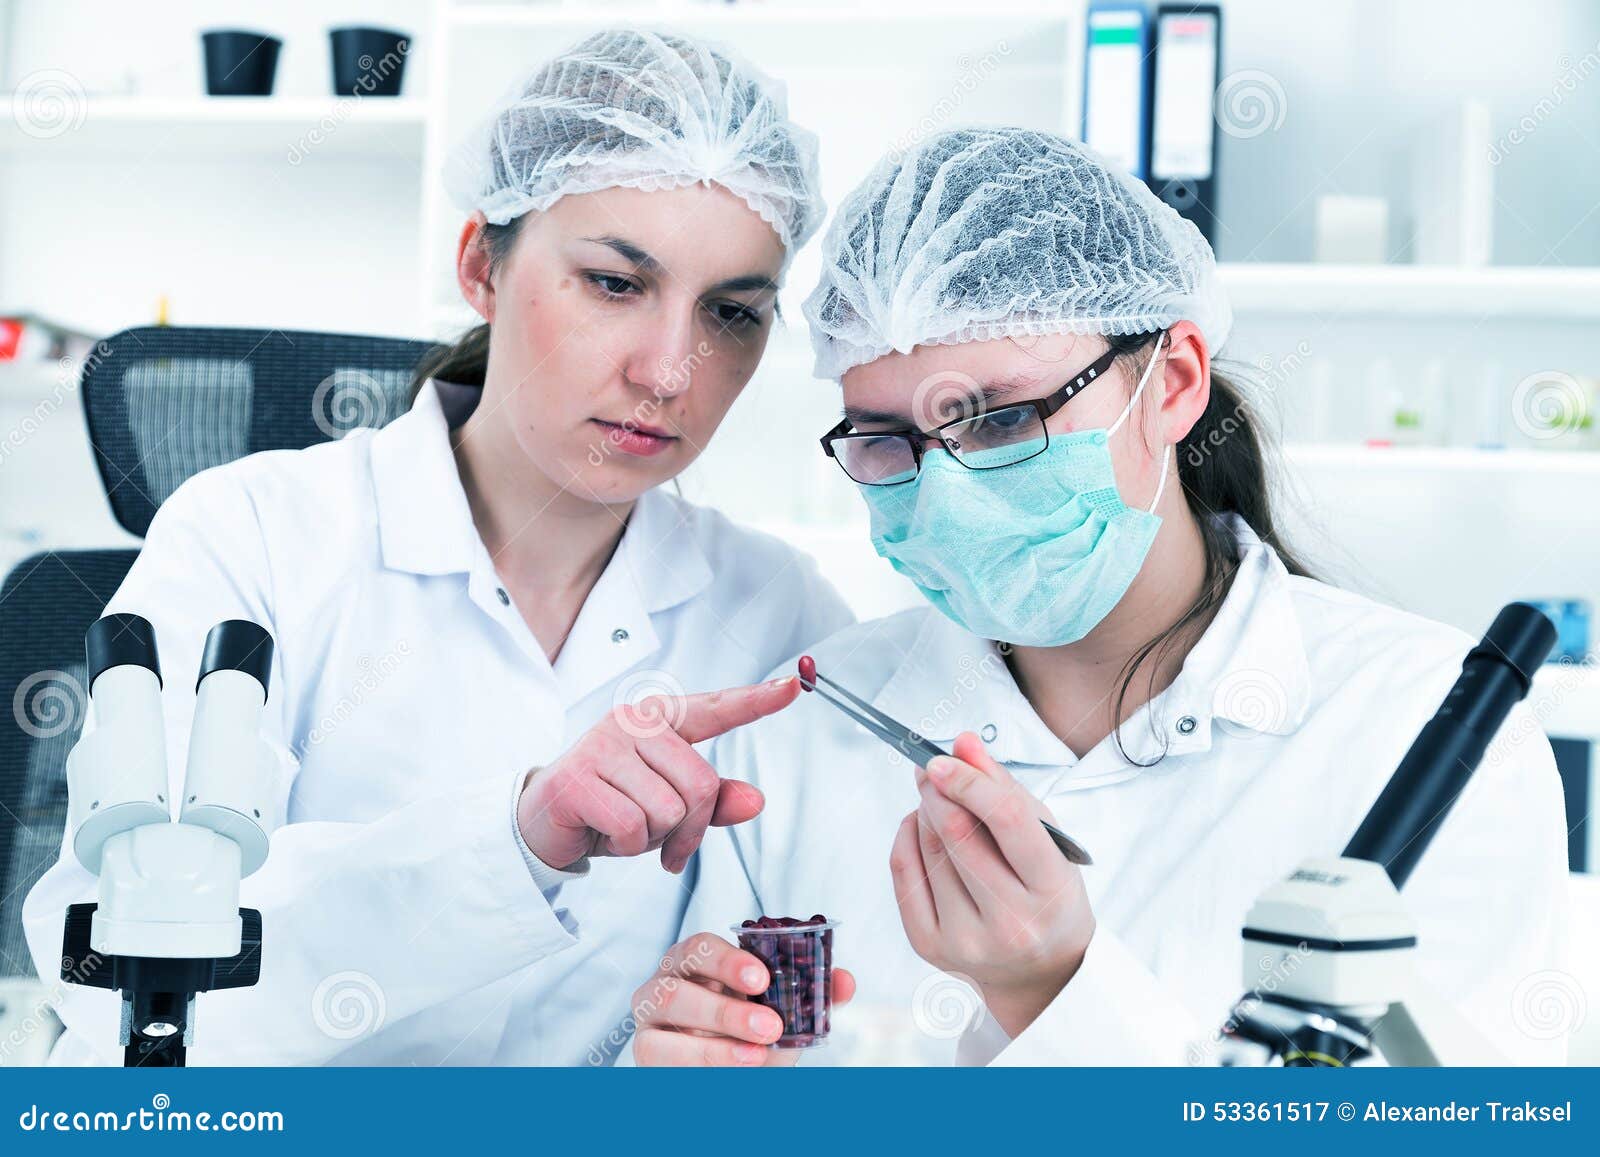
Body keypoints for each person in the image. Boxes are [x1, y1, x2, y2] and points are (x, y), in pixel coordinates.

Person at [626, 127, 1570, 1067]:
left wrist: (1054, 993)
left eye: (1001, 421)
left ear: (1175, 383)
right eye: (886, 440)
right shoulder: (803, 729)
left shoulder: (1422, 728)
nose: (944, 496)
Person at [24, 29, 852, 1066]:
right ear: (480, 268)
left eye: (731, 312)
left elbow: (852, 988)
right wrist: (515, 839)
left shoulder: (782, 612)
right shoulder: (253, 535)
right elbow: (123, 974)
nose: (669, 371)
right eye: (614, 282)